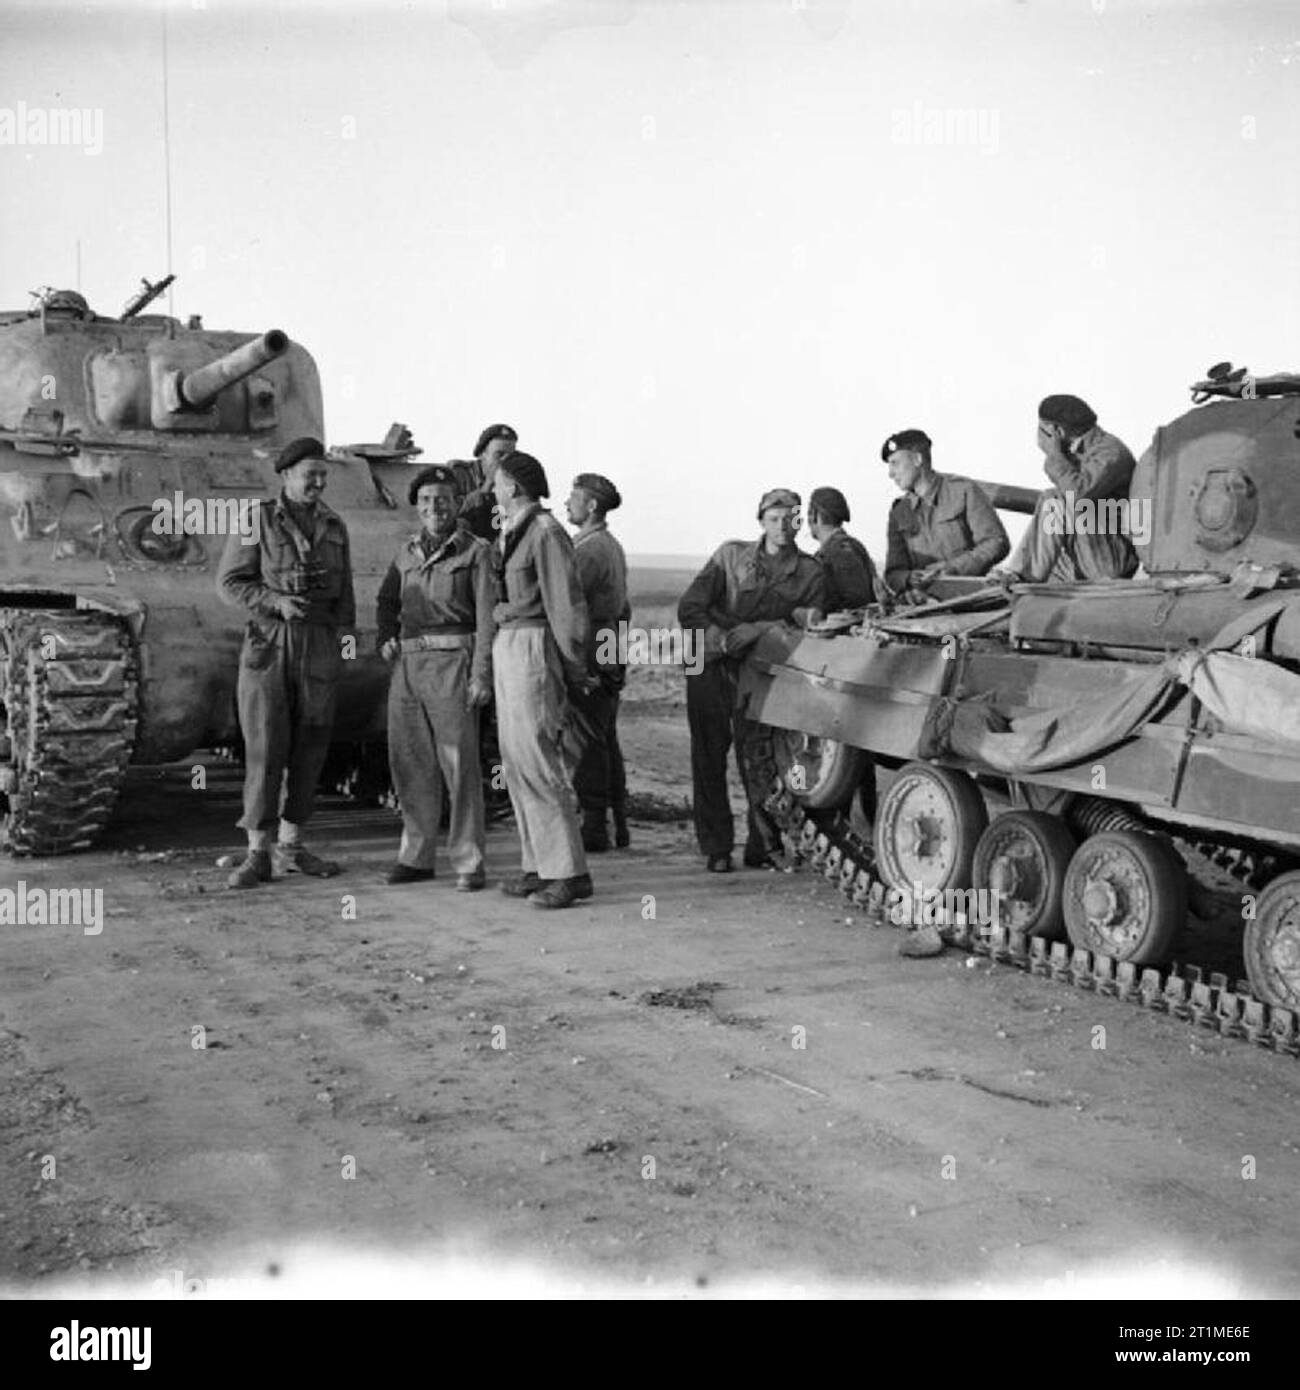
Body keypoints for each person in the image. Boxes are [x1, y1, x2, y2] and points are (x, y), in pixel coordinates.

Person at [217, 436, 355, 889]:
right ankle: (257, 851)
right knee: (265, 749)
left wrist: (343, 647)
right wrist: (275, 601)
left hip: (317, 643)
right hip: (270, 645)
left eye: (322, 475)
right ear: (286, 476)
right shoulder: (256, 520)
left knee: (311, 749)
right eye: (309, 474)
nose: (318, 482)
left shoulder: (334, 526)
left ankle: (293, 846)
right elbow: (231, 582)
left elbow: (346, 598)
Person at [677, 488, 826, 873]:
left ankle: (761, 844)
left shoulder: (810, 573)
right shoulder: (730, 555)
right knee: (708, 756)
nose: (782, 526)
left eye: (791, 518)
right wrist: (725, 638)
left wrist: (760, 629)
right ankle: (716, 847)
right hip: (708, 661)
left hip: (761, 672)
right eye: (774, 518)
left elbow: (811, 624)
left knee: (758, 757)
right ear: (761, 520)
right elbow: (690, 607)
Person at [376, 465, 496, 890]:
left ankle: (468, 860)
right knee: (410, 762)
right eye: (426, 500)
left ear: (457, 504)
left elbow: (487, 618)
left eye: (443, 499)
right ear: (417, 506)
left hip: (453, 665)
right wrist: (387, 637)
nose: (434, 507)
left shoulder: (476, 552)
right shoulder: (405, 552)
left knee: (459, 765)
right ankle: (417, 856)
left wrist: (481, 675)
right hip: (408, 668)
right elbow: (387, 600)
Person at [491, 452, 594, 908]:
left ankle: (569, 872)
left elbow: (567, 609)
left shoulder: (545, 533)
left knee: (539, 761)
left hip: (533, 649)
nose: (493, 488)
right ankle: (539, 866)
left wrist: (573, 669)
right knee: (516, 763)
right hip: (510, 648)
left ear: (513, 486)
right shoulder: (514, 530)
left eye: (497, 481)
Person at [993, 395, 1139, 585]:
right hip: (1081, 552)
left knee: (1054, 498)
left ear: (1056, 430)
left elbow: (1078, 494)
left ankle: (1021, 576)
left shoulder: (1110, 452)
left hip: (1112, 557)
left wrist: (1054, 453)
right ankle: (1020, 576)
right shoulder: (1077, 450)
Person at [563, 473, 632, 853]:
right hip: (608, 649)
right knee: (604, 737)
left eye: (574, 497)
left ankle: (594, 825)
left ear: (591, 506)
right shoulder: (610, 545)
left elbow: (569, 604)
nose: (566, 503)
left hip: (590, 650)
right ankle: (617, 821)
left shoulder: (588, 551)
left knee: (585, 737)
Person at [882, 429, 1009, 600]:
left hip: (973, 599)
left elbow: (996, 542)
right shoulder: (900, 511)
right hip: (926, 603)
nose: (891, 474)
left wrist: (952, 569)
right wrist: (908, 578)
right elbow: (893, 572)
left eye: (895, 463)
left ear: (918, 459)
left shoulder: (962, 491)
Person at [807, 486, 883, 610]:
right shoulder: (850, 546)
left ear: (814, 516)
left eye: (809, 513)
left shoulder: (839, 551)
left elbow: (856, 602)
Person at [454, 423, 518, 540]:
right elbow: (450, 517)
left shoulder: (514, 480)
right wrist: (488, 485)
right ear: (482, 455)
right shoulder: (460, 475)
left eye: (511, 456)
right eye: (499, 455)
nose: (506, 461)